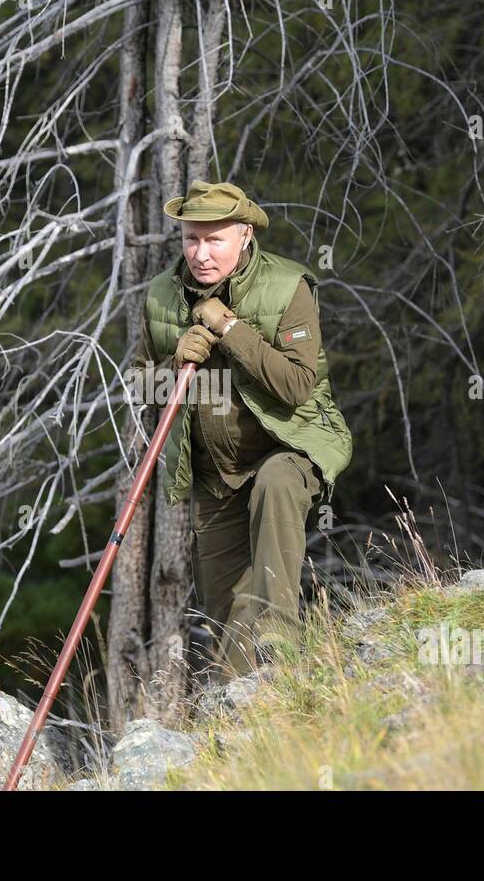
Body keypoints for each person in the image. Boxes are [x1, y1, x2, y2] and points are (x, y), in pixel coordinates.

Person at [128, 179, 353, 685]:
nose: (200, 253)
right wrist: (173, 360)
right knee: (227, 615)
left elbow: (297, 385)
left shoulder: (288, 287)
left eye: (215, 240)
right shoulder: (163, 296)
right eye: (191, 239)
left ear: (245, 234)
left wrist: (231, 331)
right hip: (216, 473)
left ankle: (279, 641)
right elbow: (142, 386)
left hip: (289, 445)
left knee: (275, 483)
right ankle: (245, 711)